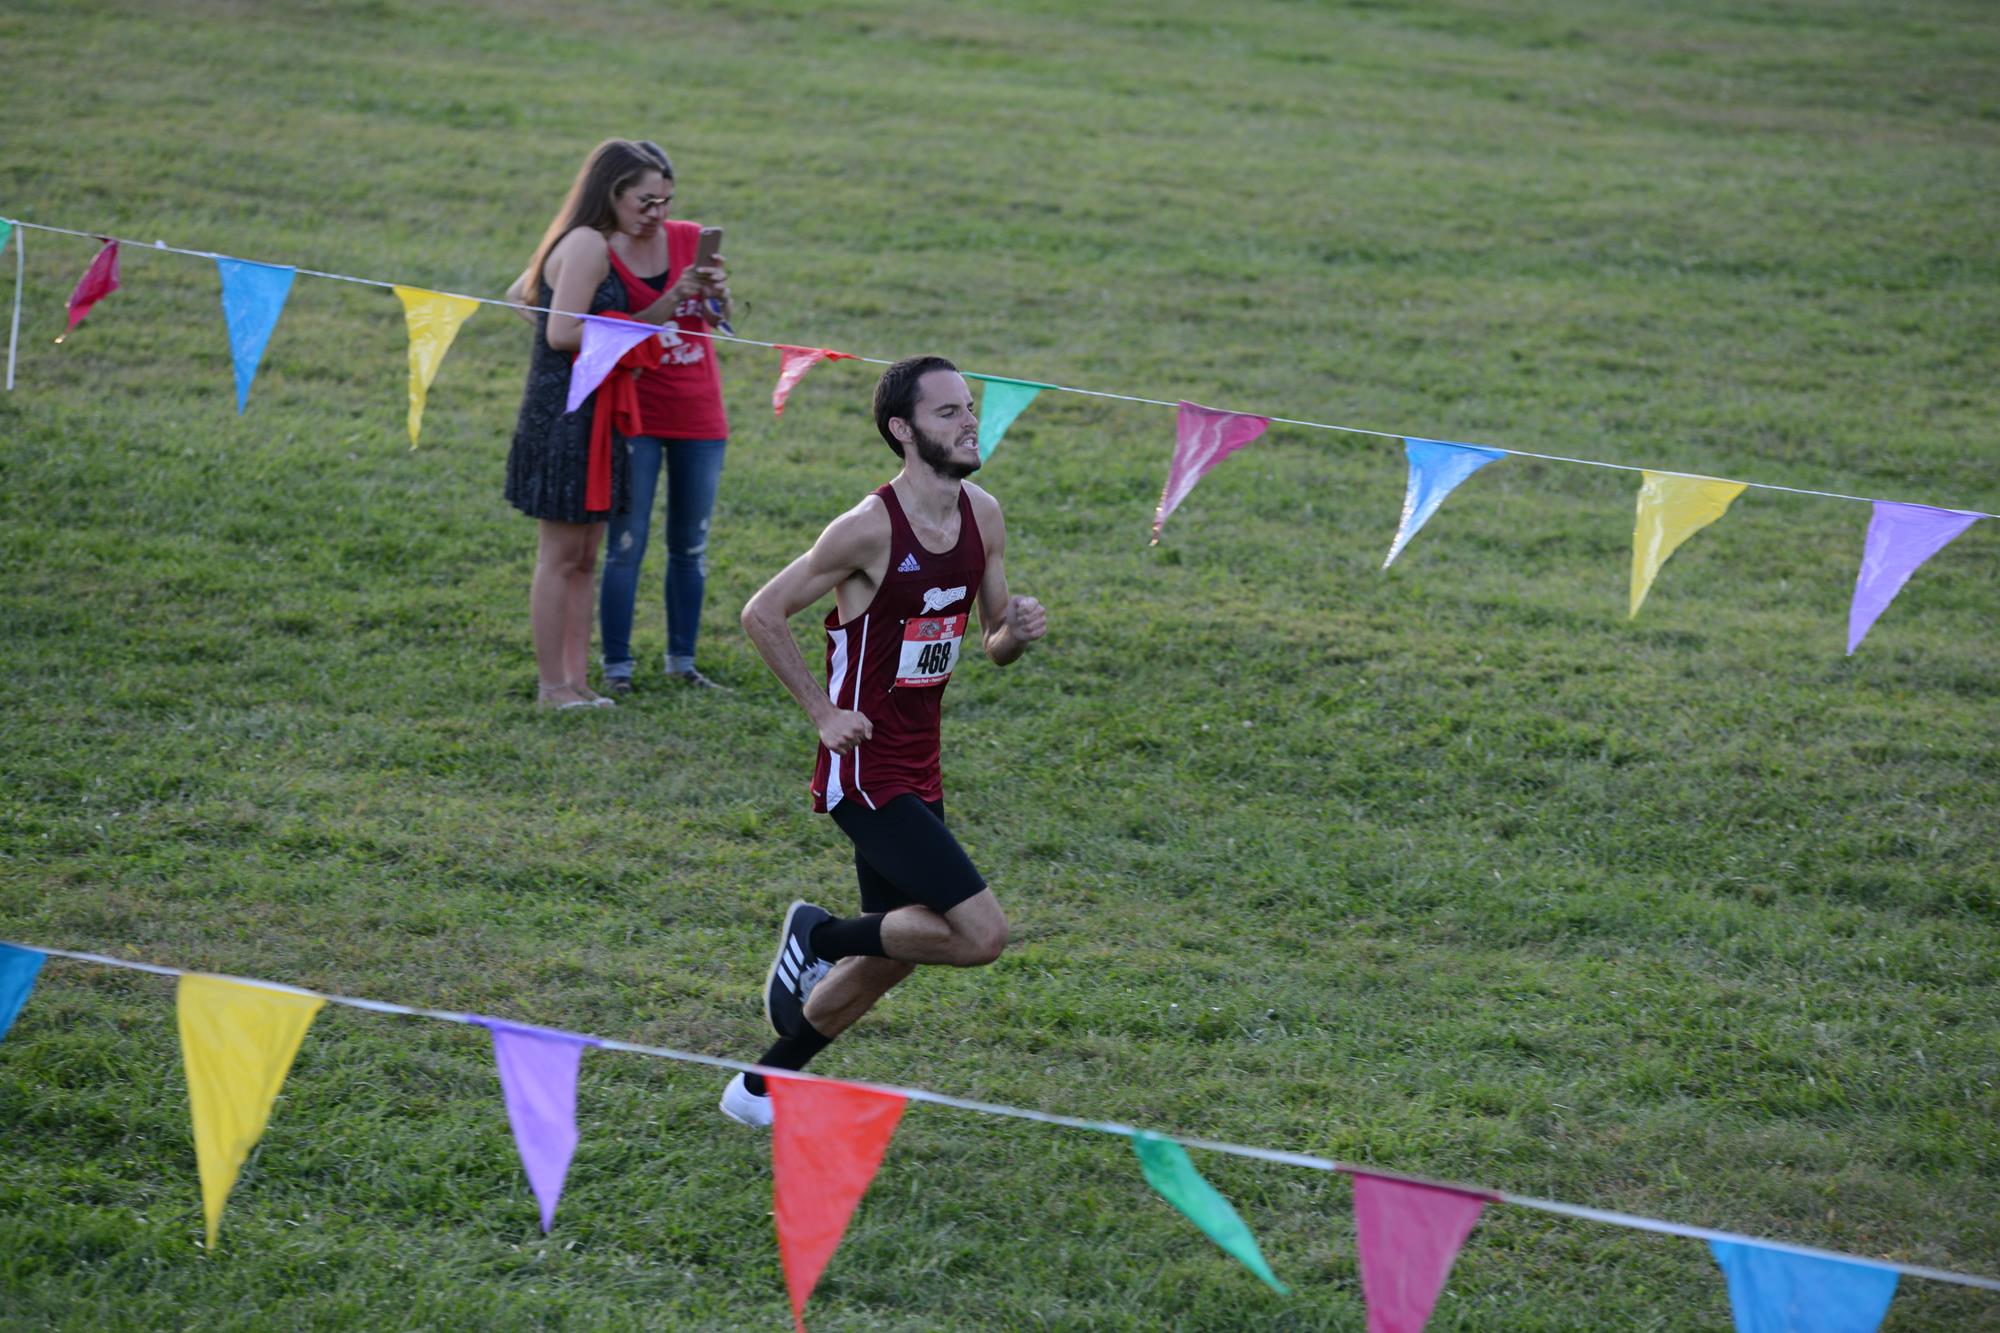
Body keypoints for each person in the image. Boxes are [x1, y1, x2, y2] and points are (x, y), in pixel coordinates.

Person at [720, 355, 1047, 1127]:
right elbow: (761, 612)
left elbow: (991, 640)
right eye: (947, 413)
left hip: (920, 761)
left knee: (894, 954)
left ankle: (759, 1087)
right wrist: (823, 712)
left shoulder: (983, 516)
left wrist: (1016, 633)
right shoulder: (867, 529)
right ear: (903, 430)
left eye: (969, 407)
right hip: (864, 768)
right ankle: (819, 932)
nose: (969, 421)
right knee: (978, 933)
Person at [503, 138, 727, 708]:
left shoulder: (596, 242)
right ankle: (553, 686)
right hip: (566, 413)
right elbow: (560, 332)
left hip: (602, 411)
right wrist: (629, 331)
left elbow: (530, 296)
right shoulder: (584, 242)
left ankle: (577, 682)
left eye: (666, 201)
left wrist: (676, 300)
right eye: (646, 202)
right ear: (612, 192)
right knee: (560, 558)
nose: (657, 214)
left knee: (584, 559)